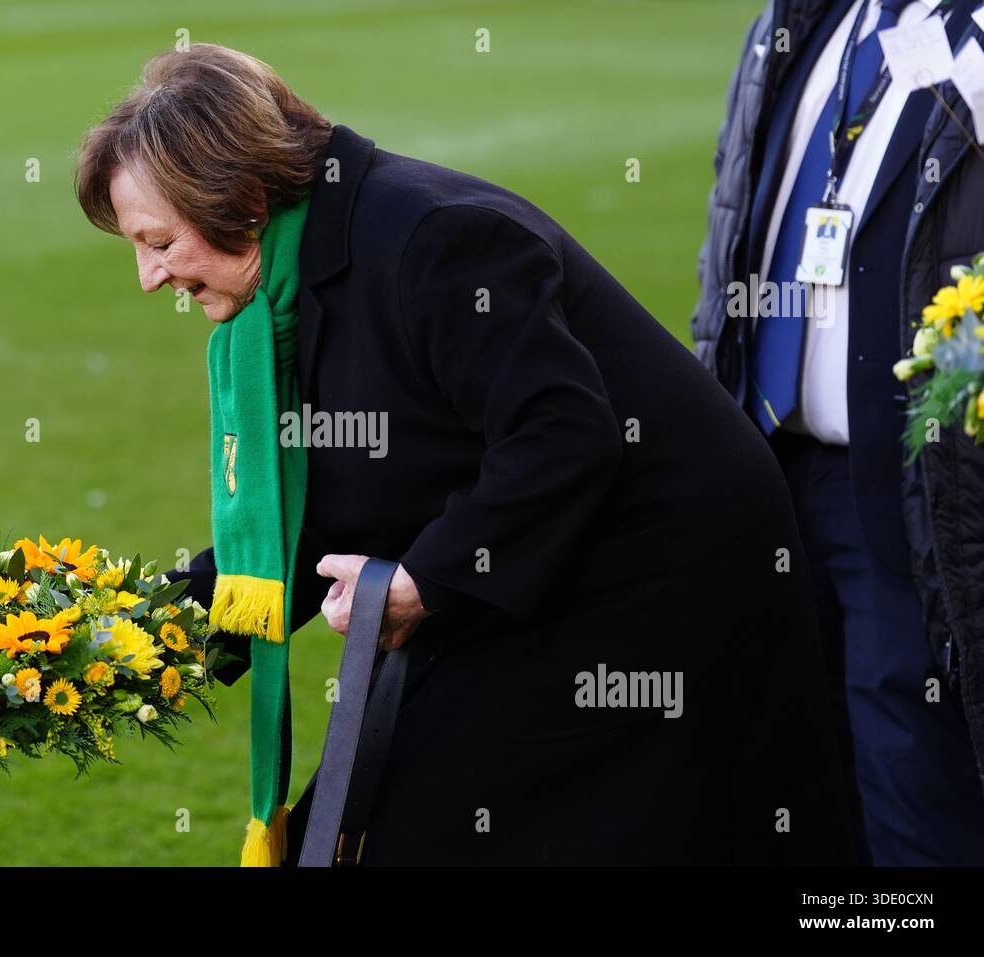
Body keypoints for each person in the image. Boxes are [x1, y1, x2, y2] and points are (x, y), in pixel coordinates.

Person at [77, 42, 850, 865]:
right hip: (529, 569)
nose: (147, 278)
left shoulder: (435, 239)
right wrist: (104, 649)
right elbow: (303, 524)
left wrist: (426, 582)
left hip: (652, 583)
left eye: (157, 242)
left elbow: (562, 432)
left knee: (417, 829)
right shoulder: (288, 283)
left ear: (235, 193)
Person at [692, 0, 984, 865]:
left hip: (920, 489)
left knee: (913, 810)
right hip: (767, 471)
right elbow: (737, 212)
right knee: (787, 795)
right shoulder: (804, 18)